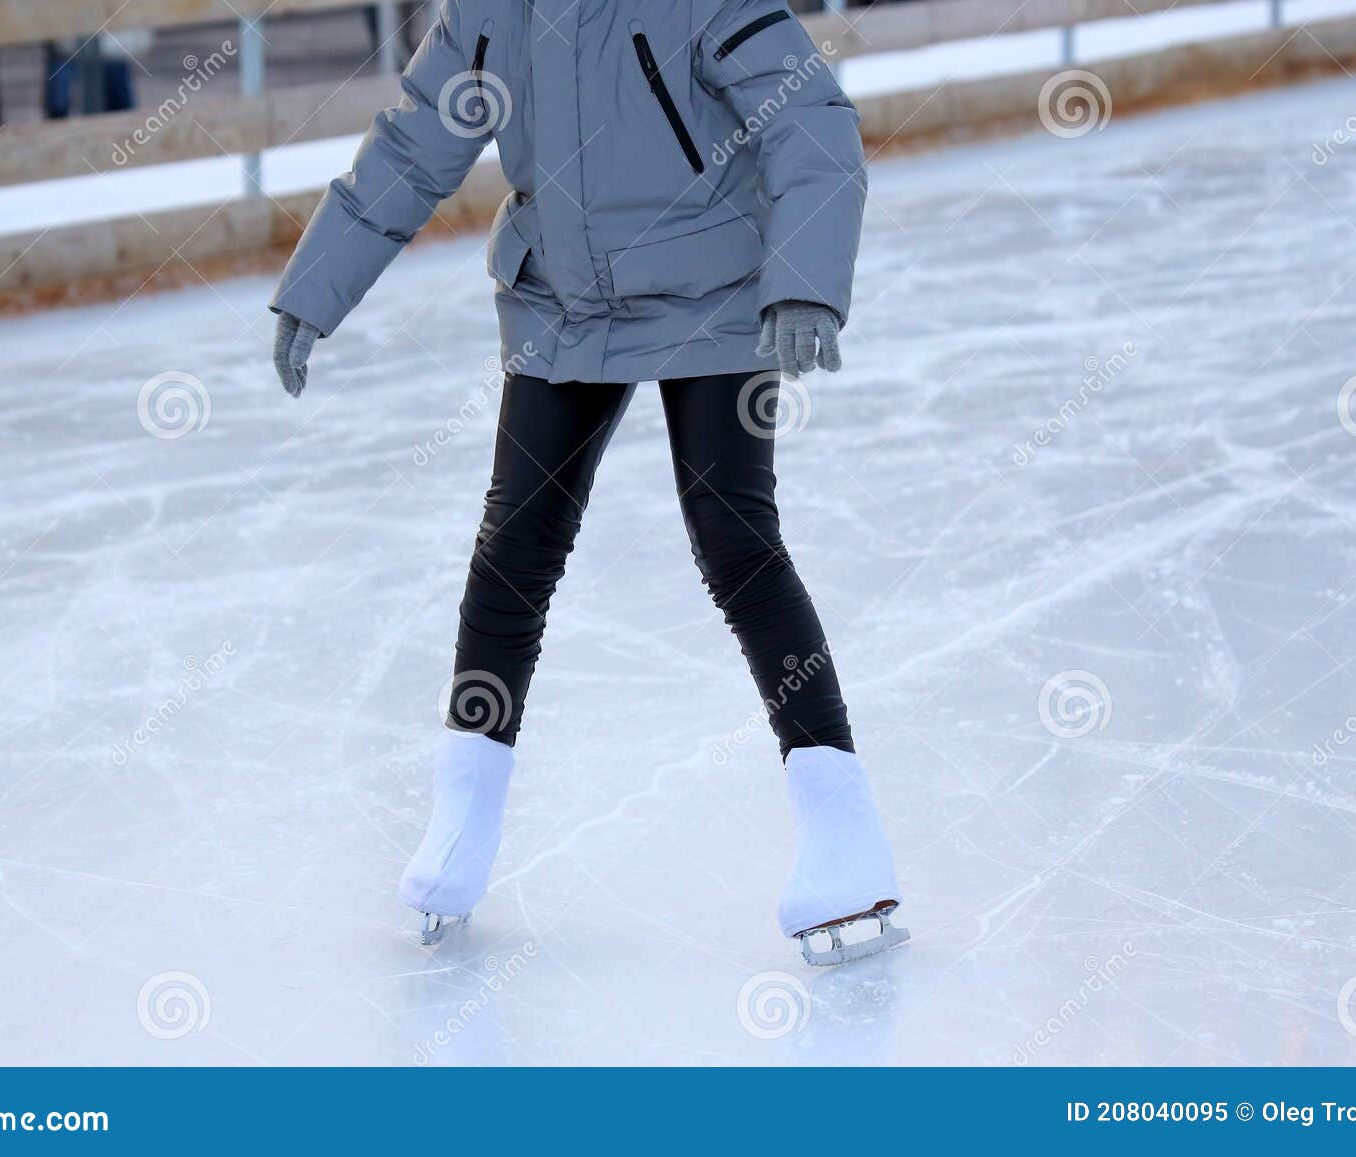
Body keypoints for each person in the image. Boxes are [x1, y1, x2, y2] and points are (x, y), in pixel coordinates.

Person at [269, 0, 904, 966]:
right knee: (513, 551)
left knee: (735, 542)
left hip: (718, 296)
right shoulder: (490, 13)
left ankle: (844, 828)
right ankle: (464, 814)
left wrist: (805, 281)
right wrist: (316, 287)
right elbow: (412, 148)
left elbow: (806, 116)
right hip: (562, 305)